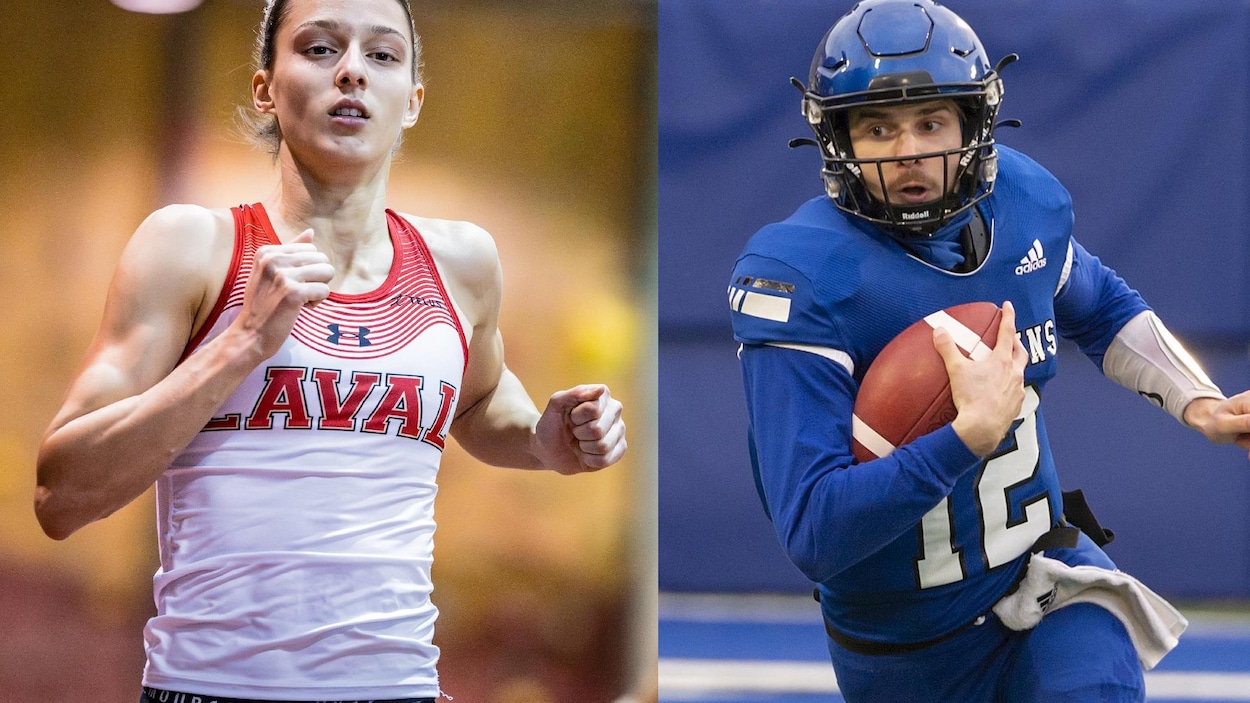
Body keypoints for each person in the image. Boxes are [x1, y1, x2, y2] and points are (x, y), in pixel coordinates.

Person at [32, 0, 627, 701]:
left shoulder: (463, 262)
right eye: (319, 49)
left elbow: (481, 399)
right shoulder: (189, 248)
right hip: (212, 686)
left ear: (411, 99)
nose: (352, 73)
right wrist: (241, 345)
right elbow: (60, 494)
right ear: (266, 88)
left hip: (397, 685)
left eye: (381, 56)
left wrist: (542, 440)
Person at [728, 1, 1250, 700]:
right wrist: (964, 438)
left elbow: (1099, 305)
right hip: (904, 646)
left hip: (1042, 582)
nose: (909, 149)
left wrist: (1200, 401)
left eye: (931, 121)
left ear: (974, 124)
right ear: (837, 139)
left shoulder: (1021, 206)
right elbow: (814, 530)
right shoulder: (802, 274)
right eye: (878, 127)